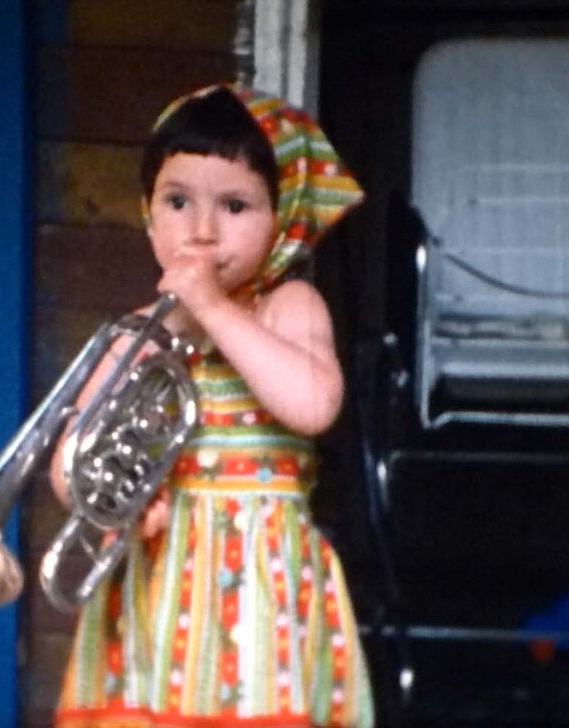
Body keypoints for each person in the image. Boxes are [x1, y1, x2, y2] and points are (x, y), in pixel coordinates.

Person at [49, 83, 373, 728]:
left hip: (262, 579)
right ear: (149, 212)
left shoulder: (288, 308)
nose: (200, 231)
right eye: (177, 202)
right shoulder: (137, 333)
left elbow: (314, 405)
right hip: (158, 582)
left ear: (283, 220)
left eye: (234, 206)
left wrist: (215, 310)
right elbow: (73, 460)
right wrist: (113, 500)